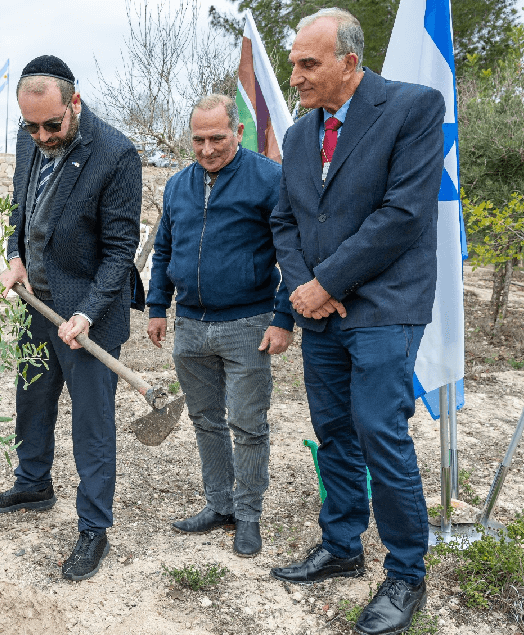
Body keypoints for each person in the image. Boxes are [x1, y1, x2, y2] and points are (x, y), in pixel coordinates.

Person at [268, 9, 444, 635]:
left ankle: (405, 574)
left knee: (378, 432)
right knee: (334, 430)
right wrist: (303, 289)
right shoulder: (296, 137)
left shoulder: (413, 108)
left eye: (307, 64)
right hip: (319, 311)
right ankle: (342, 545)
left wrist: (327, 283)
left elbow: (402, 213)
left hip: (384, 306)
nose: (295, 77)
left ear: (349, 61)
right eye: (292, 63)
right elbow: (285, 221)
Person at [0, 55, 141, 582]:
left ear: (74, 103)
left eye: (52, 124)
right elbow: (19, 210)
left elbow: (120, 252)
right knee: (32, 400)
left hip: (86, 317)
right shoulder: (30, 140)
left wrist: (87, 314)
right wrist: (15, 255)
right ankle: (33, 482)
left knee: (92, 426)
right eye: (31, 127)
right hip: (38, 305)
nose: (42, 136)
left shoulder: (116, 153)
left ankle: (93, 527)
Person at [146, 95, 293, 558]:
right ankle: (220, 505)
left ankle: (248, 516)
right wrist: (156, 305)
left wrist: (284, 317)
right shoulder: (176, 185)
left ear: (239, 132)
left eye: (217, 138)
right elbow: (164, 249)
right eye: (198, 139)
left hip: (248, 323)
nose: (207, 149)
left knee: (248, 425)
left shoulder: (270, 180)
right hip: (189, 324)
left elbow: (294, 254)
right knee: (205, 420)